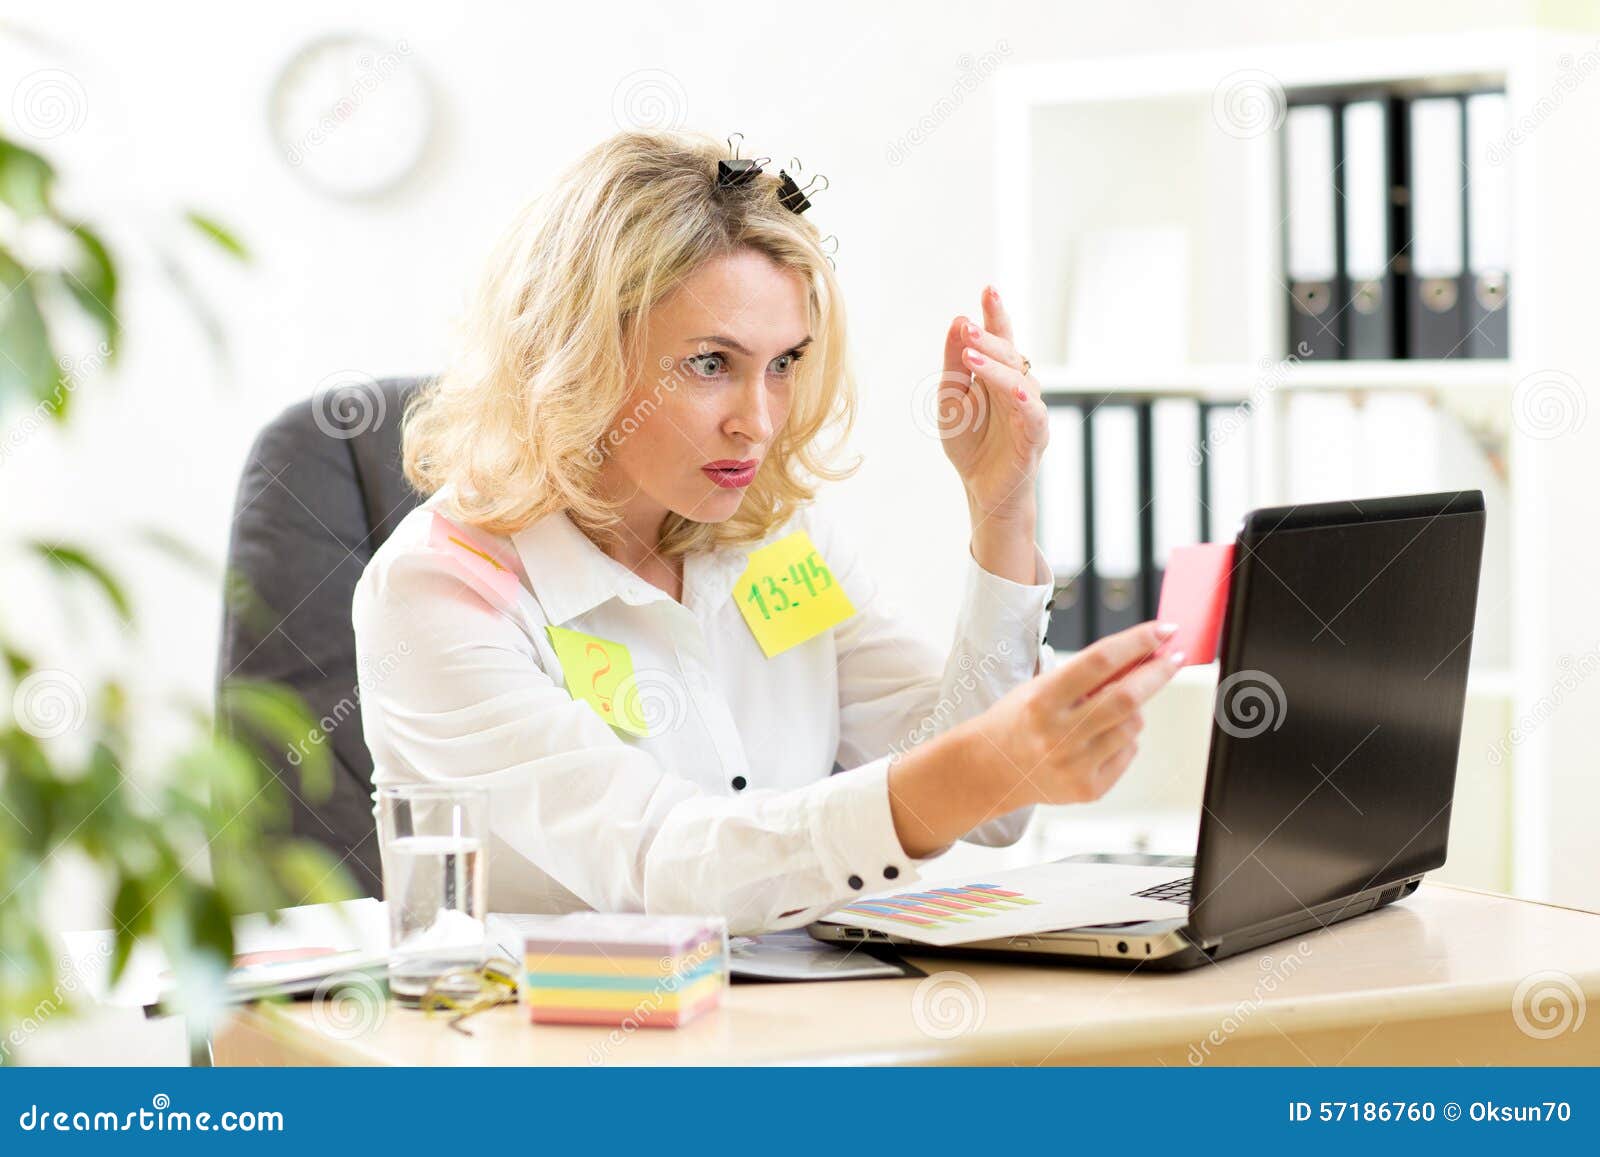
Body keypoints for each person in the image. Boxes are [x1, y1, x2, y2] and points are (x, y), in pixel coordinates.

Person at [352, 128, 1182, 936]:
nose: (758, 422)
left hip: (790, 1028)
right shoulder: (440, 591)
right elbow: (666, 864)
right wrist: (973, 770)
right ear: (578, 353)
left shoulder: (774, 539)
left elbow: (991, 803)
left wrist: (1003, 511)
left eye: (784, 363)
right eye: (712, 363)